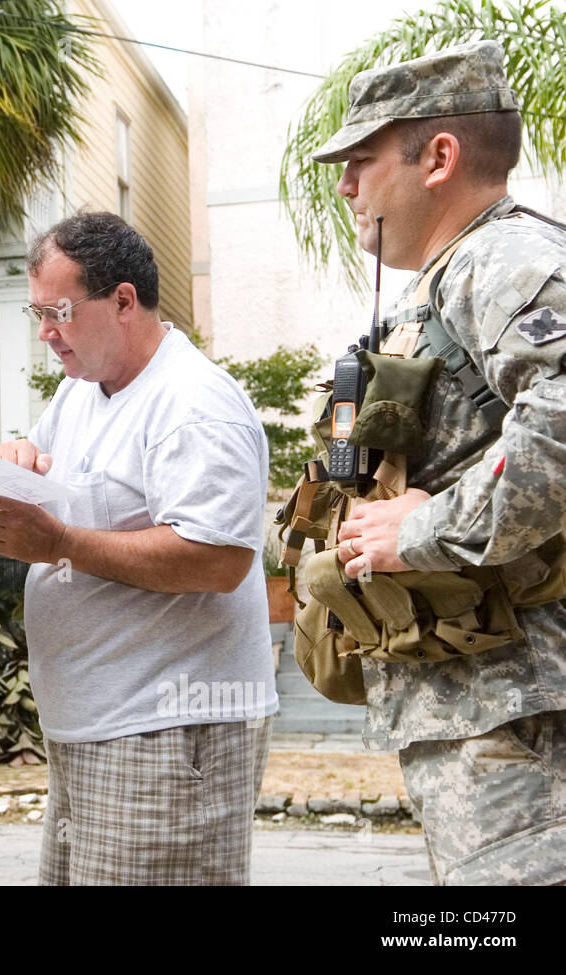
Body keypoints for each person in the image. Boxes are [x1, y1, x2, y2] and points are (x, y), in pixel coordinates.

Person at [0, 212, 277, 885]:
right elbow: (44, 473)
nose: (45, 333)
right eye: (37, 313)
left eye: (59, 312)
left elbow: (218, 559)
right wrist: (13, 461)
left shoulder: (193, 403)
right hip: (95, 730)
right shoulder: (80, 394)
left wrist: (61, 542)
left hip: (167, 734)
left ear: (123, 301)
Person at [310, 40, 566, 885]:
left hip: (524, 720)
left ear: (440, 158)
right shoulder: (455, 277)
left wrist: (425, 527)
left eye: (360, 159)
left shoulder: (503, 261)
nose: (345, 185)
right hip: (486, 712)